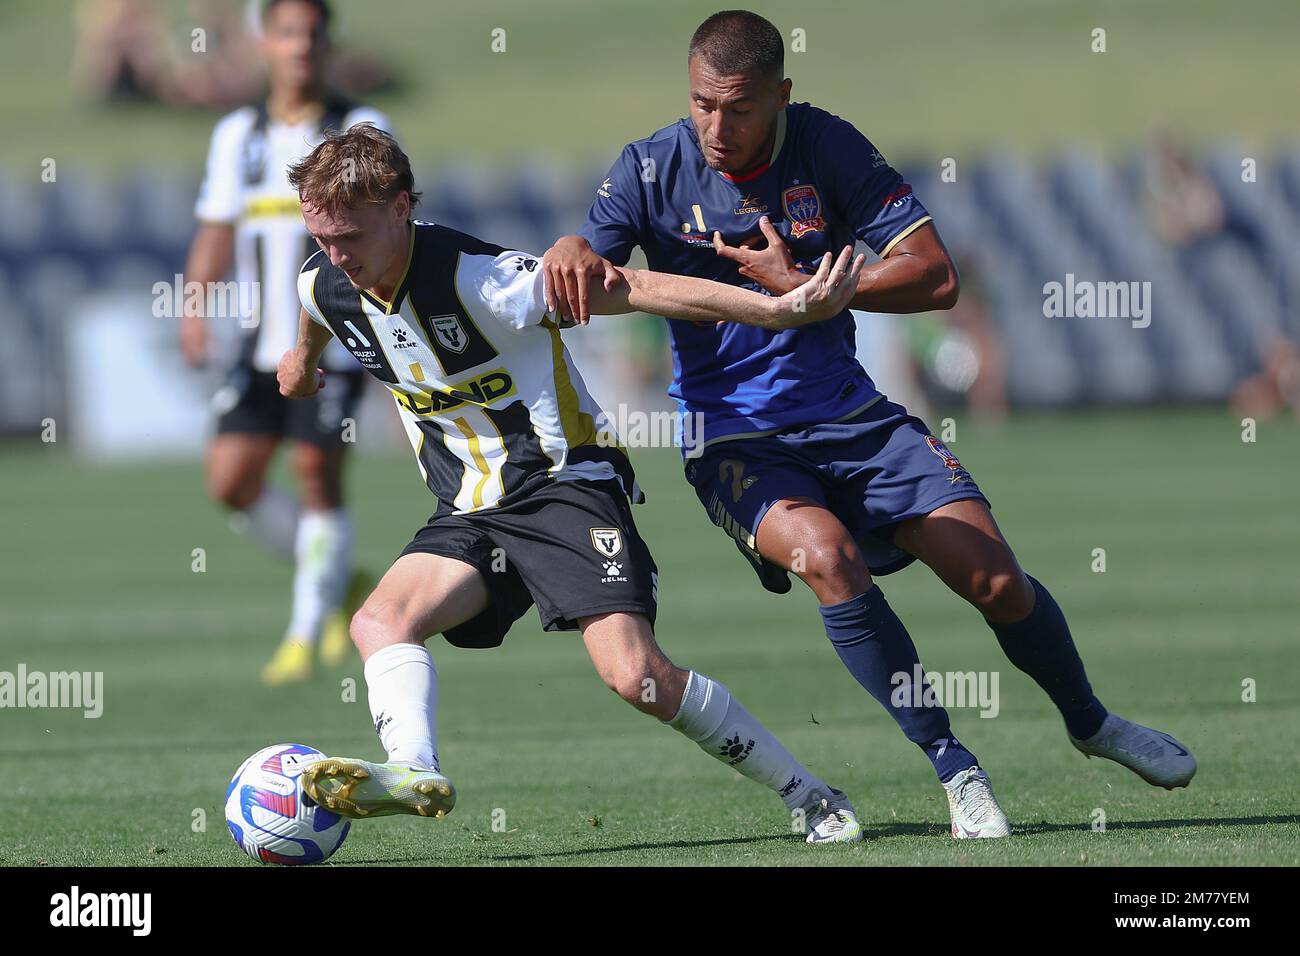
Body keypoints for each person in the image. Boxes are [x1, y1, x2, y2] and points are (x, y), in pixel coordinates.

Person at [542, 9, 1196, 839]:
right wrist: (568, 243)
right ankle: (955, 768)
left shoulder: (828, 147)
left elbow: (937, 276)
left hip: (854, 416)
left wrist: (817, 286)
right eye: (702, 103)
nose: (716, 125)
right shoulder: (649, 166)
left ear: (782, 95)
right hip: (732, 433)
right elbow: (586, 263)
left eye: (738, 107)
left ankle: (1092, 722)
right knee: (828, 558)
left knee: (995, 581)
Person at [276, 123, 870, 843]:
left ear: (401, 206)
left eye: (349, 238)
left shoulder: (484, 281)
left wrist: (777, 309)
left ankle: (811, 795)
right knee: (377, 622)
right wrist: (300, 367)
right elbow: (312, 316)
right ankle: (411, 768)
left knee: (636, 678)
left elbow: (636, 287)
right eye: (322, 238)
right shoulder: (324, 281)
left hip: (567, 487)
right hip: (469, 507)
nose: (335, 256)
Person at [181, 0, 385, 684]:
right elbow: (216, 227)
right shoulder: (239, 134)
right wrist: (193, 306)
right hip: (256, 340)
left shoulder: (361, 130)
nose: (300, 47)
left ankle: (304, 634)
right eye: (287, 33)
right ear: (263, 43)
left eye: (312, 34)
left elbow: (394, 233)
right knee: (230, 480)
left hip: (338, 338)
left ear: (329, 44)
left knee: (313, 472)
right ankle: (338, 579)